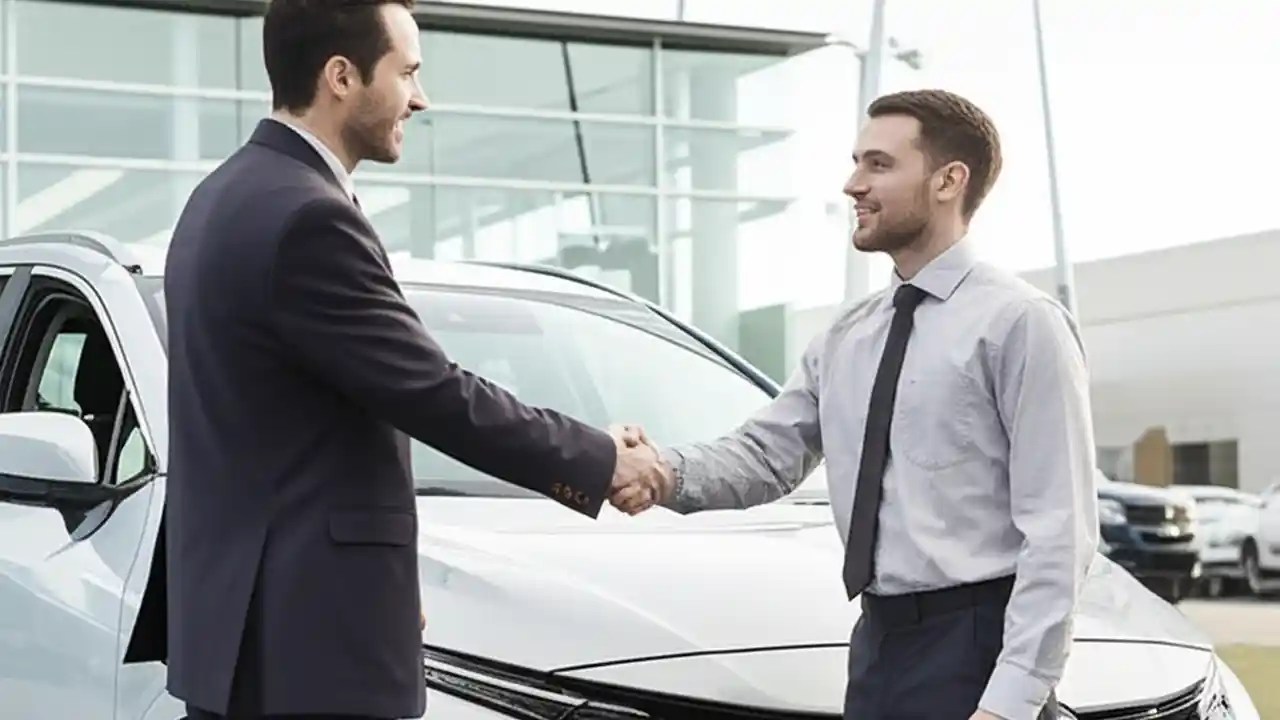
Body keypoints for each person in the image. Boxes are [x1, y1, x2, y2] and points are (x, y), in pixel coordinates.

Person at [121, 0, 666, 718]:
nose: (420, 96)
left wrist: (369, 586)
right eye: (407, 72)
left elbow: (287, 424)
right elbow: (432, 391)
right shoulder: (306, 217)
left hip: (259, 627)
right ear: (342, 76)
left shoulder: (220, 198)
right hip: (306, 649)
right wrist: (601, 459)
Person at [613, 89, 1099, 720]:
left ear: (950, 180)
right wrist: (660, 471)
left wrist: (1010, 702)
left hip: (978, 647)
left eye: (879, 164)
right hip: (877, 646)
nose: (852, 185)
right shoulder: (848, 336)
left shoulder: (1021, 324)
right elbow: (766, 455)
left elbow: (1061, 531)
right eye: (856, 162)